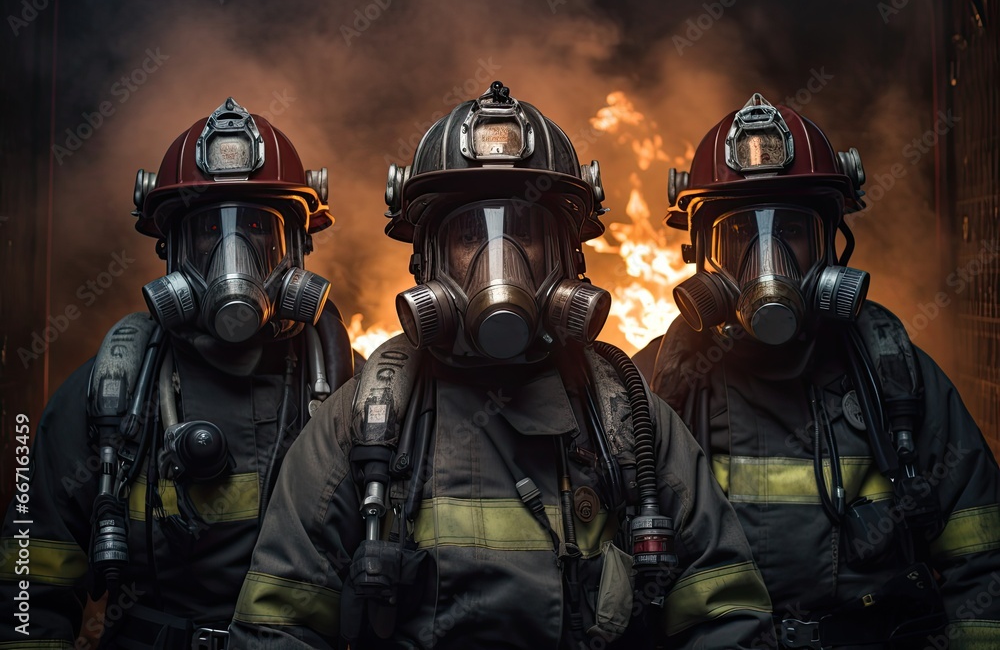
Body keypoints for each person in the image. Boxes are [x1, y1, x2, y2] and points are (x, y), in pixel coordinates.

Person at [229, 81, 773, 650]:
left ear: (569, 258)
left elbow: (725, 612)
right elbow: (279, 623)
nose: (499, 262)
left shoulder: (627, 418)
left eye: (526, 235)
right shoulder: (365, 420)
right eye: (470, 236)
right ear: (426, 260)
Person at [635, 93, 1000, 649]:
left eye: (792, 233)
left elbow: (984, 565)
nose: (767, 263)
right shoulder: (653, 388)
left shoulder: (896, 378)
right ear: (702, 254)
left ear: (830, 246)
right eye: (740, 236)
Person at [0, 98, 358, 648]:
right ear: (170, 252)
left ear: (298, 247)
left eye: (258, 227)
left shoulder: (353, 394)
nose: (234, 257)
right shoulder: (111, 393)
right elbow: (28, 584)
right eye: (209, 230)